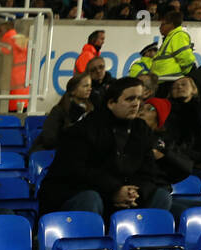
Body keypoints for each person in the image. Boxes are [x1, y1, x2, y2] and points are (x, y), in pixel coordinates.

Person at [38, 77, 171, 216]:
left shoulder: (141, 129)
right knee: (91, 198)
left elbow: (149, 170)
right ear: (111, 103)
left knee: (162, 196)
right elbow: (78, 172)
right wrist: (114, 190)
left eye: (139, 99)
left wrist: (134, 193)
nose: (136, 104)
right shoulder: (84, 129)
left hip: (122, 196)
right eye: (130, 99)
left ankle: (145, 237)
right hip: (80, 193)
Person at [31, 72, 92, 152]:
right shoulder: (58, 111)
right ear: (73, 91)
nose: (90, 88)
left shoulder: (90, 111)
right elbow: (49, 140)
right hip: (55, 154)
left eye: (90, 86)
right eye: (85, 86)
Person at [148, 11, 197, 94]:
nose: (160, 27)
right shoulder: (171, 37)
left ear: (171, 24)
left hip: (170, 81)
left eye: (163, 24)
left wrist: (182, 75)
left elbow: (186, 58)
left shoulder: (178, 35)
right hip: (165, 81)